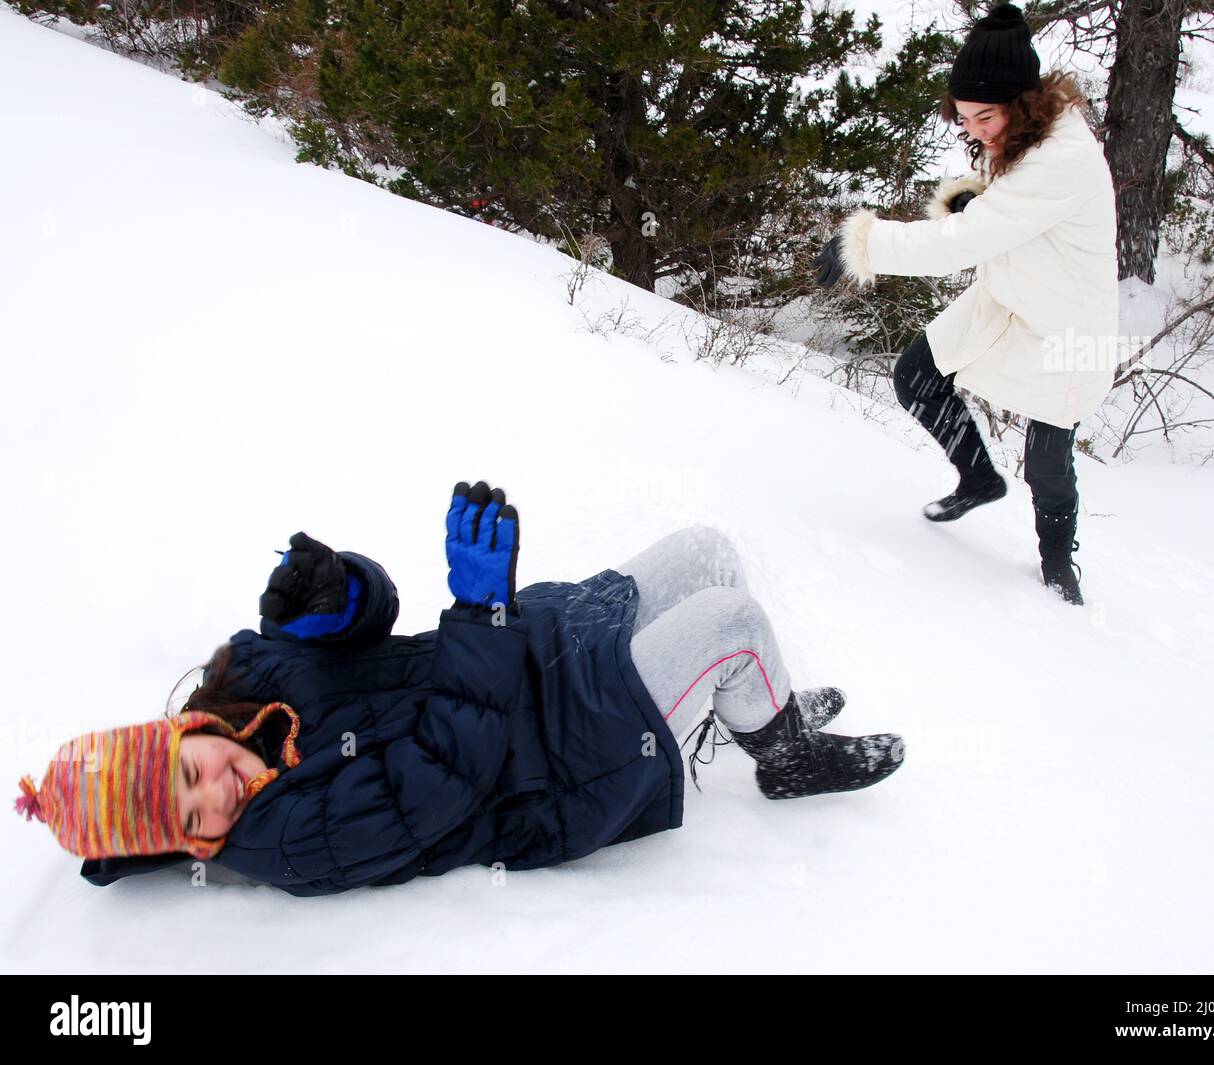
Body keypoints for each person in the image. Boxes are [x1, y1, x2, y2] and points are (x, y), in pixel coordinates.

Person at [15, 481, 904, 897]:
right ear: (197, 848)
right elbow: (448, 773)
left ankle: (753, 709)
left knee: (705, 549)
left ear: (177, 733)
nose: (219, 788)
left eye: (191, 770)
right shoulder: (291, 839)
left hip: (529, 656)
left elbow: (377, 621)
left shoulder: (248, 678)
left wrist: (341, 596)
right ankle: (783, 755)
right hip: (559, 766)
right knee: (727, 620)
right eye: (196, 814)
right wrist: (479, 608)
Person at [812, 3, 1120, 606]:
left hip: (1066, 323)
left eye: (985, 116)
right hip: (1007, 295)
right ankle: (979, 478)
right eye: (965, 117)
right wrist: (975, 201)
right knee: (916, 376)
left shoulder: (1061, 157)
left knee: (1047, 461)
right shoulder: (1024, 132)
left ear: (1023, 102)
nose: (975, 129)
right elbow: (1006, 214)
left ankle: (1058, 567)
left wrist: (867, 244)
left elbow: (965, 242)